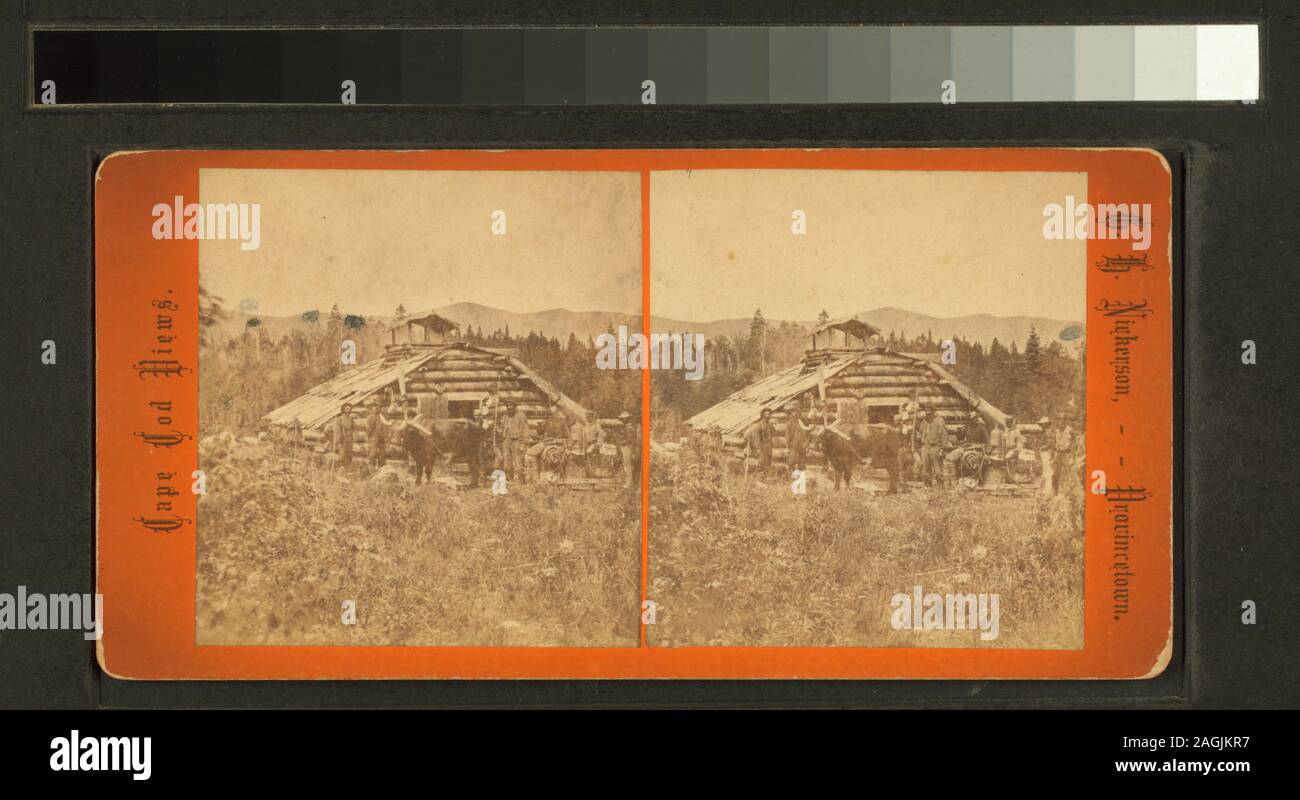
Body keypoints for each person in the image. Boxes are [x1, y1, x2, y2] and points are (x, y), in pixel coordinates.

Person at [503, 401, 532, 484]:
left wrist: (525, 442)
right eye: (507, 406)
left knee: (518, 459)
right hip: (507, 440)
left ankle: (520, 480)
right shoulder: (505, 416)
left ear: (514, 407)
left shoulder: (521, 415)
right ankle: (509, 478)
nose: (509, 407)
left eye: (511, 405)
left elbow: (525, 428)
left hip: (517, 440)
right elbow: (503, 428)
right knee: (507, 459)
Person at [920, 404, 948, 486]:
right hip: (925, 445)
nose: (928, 413)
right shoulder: (924, 421)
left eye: (929, 412)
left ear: (933, 412)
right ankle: (928, 484)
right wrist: (918, 437)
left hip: (936, 446)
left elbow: (944, 435)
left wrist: (943, 448)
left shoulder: (939, 421)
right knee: (925, 466)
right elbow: (921, 432)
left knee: (937, 466)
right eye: (926, 412)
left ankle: (940, 484)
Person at [571, 409, 605, 477]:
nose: (588, 418)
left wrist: (598, 444)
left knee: (592, 458)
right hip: (585, 444)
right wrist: (579, 445)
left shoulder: (596, 426)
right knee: (581, 457)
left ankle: (594, 473)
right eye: (587, 417)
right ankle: (586, 473)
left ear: (592, 417)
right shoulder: (585, 426)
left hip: (593, 444)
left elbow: (601, 435)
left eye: (589, 417)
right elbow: (581, 436)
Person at [744, 408, 776, 478]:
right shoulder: (759, 425)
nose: (767, 416)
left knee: (768, 460)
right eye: (766, 414)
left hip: (769, 445)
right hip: (762, 445)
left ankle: (766, 475)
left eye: (769, 414)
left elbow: (774, 432)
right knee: (761, 460)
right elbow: (756, 437)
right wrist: (758, 448)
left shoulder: (770, 424)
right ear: (762, 415)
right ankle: (756, 475)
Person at [1052, 412, 1076, 495]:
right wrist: (1053, 455)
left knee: (1068, 473)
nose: (1060, 421)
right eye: (1059, 419)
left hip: (1067, 454)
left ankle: (1070, 493)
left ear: (1065, 420)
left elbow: (1074, 443)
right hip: (1058, 454)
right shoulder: (1056, 431)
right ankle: (1055, 493)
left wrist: (1073, 455)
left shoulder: (1070, 430)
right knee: (1055, 474)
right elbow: (1054, 443)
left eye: (1062, 419)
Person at [785, 403, 813, 472]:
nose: (795, 414)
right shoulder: (789, 423)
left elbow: (807, 433)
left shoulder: (803, 422)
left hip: (802, 444)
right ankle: (790, 473)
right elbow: (787, 434)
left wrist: (807, 444)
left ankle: (801, 474)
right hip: (793, 444)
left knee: (802, 460)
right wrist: (787, 444)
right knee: (792, 459)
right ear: (791, 414)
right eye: (793, 413)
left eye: (797, 412)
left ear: (799, 413)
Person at [617, 410, 640, 489]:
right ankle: (627, 482)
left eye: (623, 419)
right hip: (626, 447)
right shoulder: (627, 427)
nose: (622, 420)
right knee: (626, 465)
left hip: (627, 447)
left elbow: (630, 440)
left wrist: (621, 442)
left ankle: (628, 484)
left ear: (627, 419)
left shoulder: (629, 428)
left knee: (627, 466)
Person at [366, 403, 391, 468]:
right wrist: (370, 436)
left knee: (382, 453)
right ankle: (371, 467)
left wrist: (386, 436)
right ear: (372, 409)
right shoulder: (370, 417)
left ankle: (381, 467)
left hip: (382, 437)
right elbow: (368, 428)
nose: (377, 409)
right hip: (373, 437)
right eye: (375, 408)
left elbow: (386, 427)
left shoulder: (382, 417)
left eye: (378, 408)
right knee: (372, 453)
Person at [333, 403, 355, 467]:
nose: (348, 410)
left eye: (349, 409)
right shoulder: (340, 419)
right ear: (343, 410)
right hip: (343, 438)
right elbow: (338, 430)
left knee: (349, 452)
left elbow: (353, 428)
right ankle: (341, 465)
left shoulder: (350, 419)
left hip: (350, 438)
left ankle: (348, 465)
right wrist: (339, 438)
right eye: (346, 409)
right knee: (343, 452)